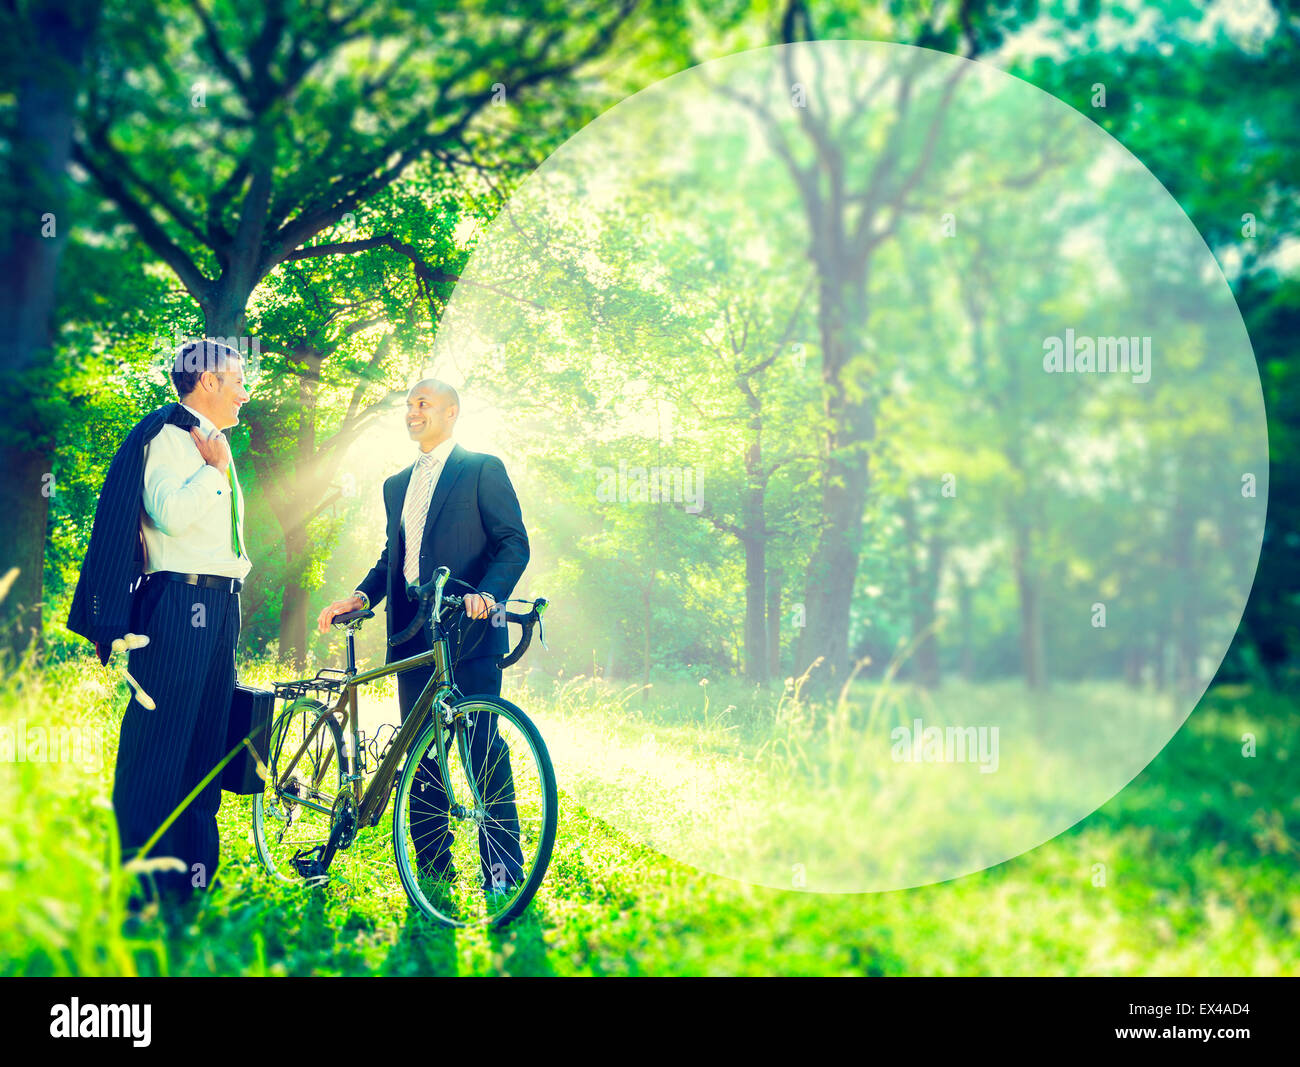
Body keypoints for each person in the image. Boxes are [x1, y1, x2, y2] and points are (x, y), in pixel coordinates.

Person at [317, 378, 529, 891]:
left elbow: (513, 544)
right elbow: (393, 559)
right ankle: (433, 867)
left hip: (472, 628)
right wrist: (362, 597)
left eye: (424, 404)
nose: (412, 412)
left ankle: (502, 871)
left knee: (481, 745)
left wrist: (488, 595)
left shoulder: (482, 468)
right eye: (409, 405)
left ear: (452, 412)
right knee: (421, 751)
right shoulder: (395, 484)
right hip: (411, 634)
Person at [69, 339, 251, 910]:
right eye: (238, 380)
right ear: (208, 383)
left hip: (219, 606)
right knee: (158, 749)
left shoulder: (210, 443)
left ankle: (190, 886)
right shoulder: (170, 437)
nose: (246, 393)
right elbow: (170, 516)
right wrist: (216, 472)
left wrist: (218, 465)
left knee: (204, 749)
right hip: (178, 606)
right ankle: (140, 893)